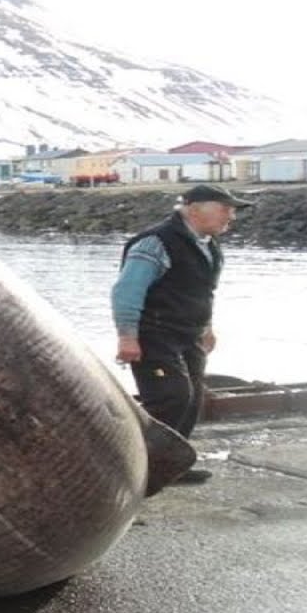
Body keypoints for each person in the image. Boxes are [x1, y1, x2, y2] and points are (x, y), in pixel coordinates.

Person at [111, 184, 253, 483]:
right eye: (224, 208)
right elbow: (127, 291)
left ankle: (169, 467)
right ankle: (136, 471)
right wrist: (127, 336)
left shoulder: (208, 244)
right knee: (170, 397)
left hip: (189, 333)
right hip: (155, 333)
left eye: (232, 211)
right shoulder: (155, 243)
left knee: (192, 400)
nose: (230, 216)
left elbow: (203, 291)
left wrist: (207, 328)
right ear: (194, 208)